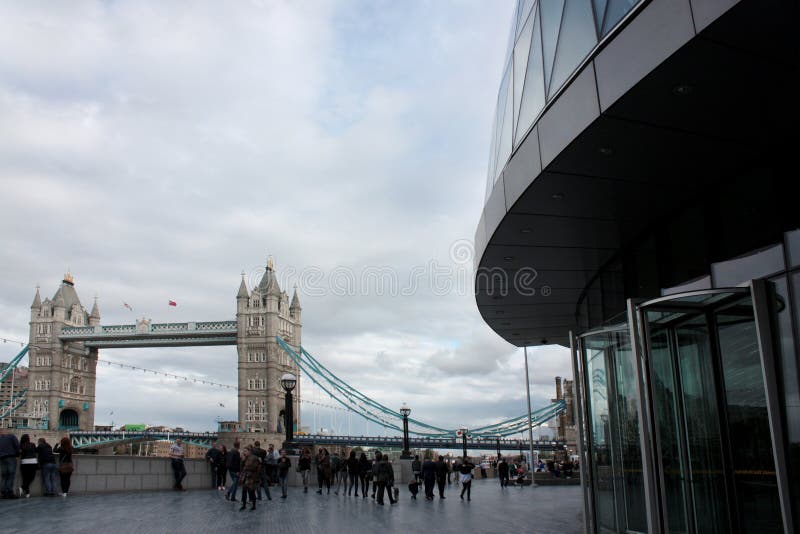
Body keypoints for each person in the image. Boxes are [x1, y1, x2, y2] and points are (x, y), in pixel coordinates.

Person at [239, 446, 261, 511]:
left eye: (245, 451)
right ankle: (244, 505)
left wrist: (256, 477)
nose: (244, 452)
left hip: (252, 477)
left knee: (251, 492)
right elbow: (241, 467)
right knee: (244, 491)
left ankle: (254, 505)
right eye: (243, 451)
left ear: (249, 451)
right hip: (245, 477)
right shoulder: (245, 458)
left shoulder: (254, 458)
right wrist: (242, 461)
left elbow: (256, 467)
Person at [0, 429, 20, 499]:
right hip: (11, 457)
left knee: (4, 476)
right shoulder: (11, 436)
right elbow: (17, 446)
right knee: (11, 475)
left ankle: (3, 493)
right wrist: (17, 455)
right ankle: (9, 492)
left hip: (2, 458)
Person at [18, 434, 37, 498]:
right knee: (31, 477)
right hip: (33, 462)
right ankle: (23, 489)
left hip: (24, 462)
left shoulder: (21, 445)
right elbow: (35, 451)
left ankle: (27, 492)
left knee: (25, 477)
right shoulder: (32, 444)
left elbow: (19, 453)